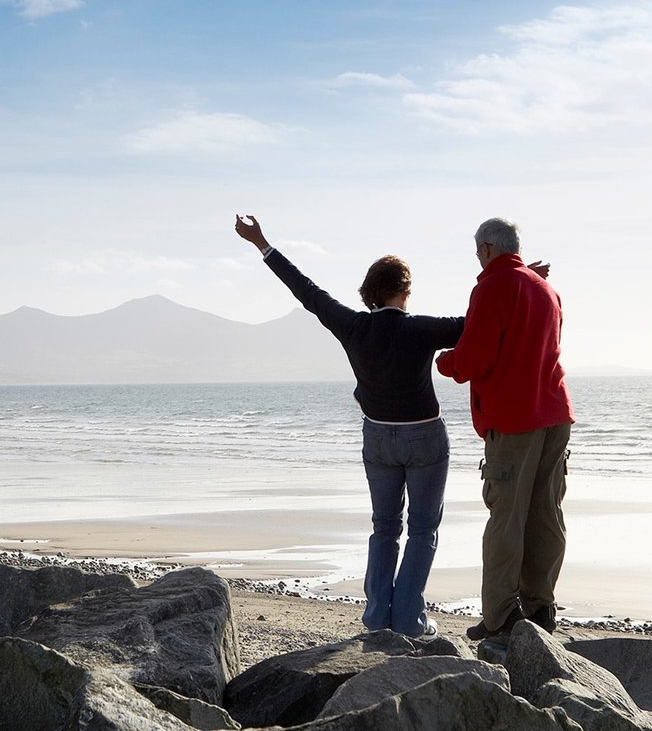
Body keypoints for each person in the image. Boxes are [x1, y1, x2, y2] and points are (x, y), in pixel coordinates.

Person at [234, 214, 461, 637]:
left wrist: (262, 244)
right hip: (425, 435)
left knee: (385, 527)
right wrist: (524, 283)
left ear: (371, 291)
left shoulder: (352, 325)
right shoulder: (421, 328)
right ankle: (410, 620)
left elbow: (307, 292)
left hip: (377, 436)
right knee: (423, 528)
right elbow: (478, 325)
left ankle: (377, 618)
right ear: (405, 292)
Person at [435, 217, 574, 641]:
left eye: (479, 252)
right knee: (546, 514)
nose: (478, 260)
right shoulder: (544, 289)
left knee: (506, 518)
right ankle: (540, 607)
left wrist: (445, 361)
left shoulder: (492, 287)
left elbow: (475, 358)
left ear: (488, 248)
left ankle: (499, 615)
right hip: (554, 413)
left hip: (515, 420)